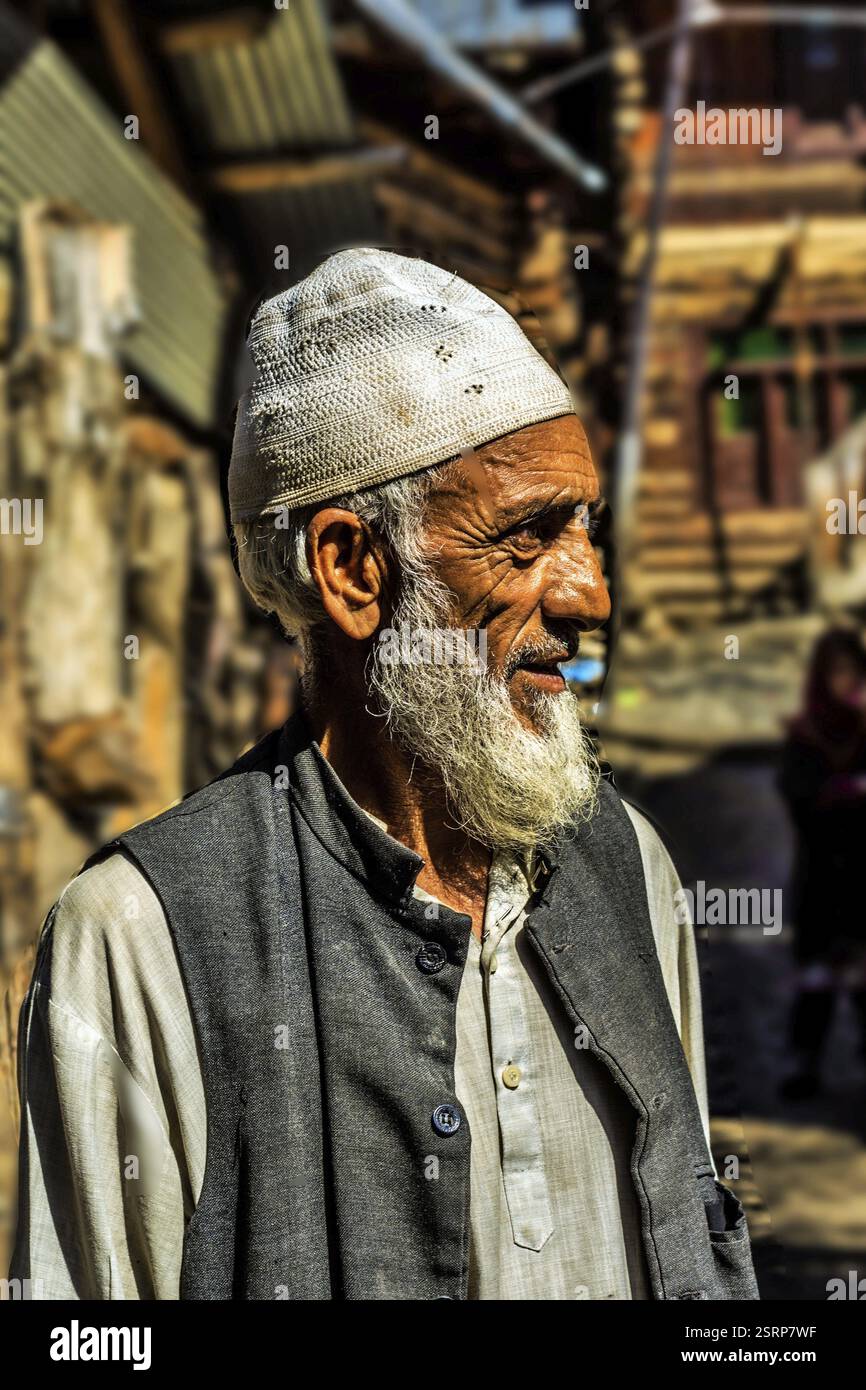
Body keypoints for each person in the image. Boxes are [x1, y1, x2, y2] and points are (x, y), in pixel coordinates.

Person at [11, 249, 758, 1300]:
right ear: (353, 570)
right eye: (527, 535)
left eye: (584, 528)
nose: (589, 594)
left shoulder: (628, 867)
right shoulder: (140, 937)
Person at [779, 627, 866, 1100]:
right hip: (821, 878)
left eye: (851, 671)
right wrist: (840, 794)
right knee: (816, 977)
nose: (844, 681)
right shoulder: (807, 735)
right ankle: (804, 1064)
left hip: (863, 877)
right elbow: (797, 797)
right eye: (836, 671)